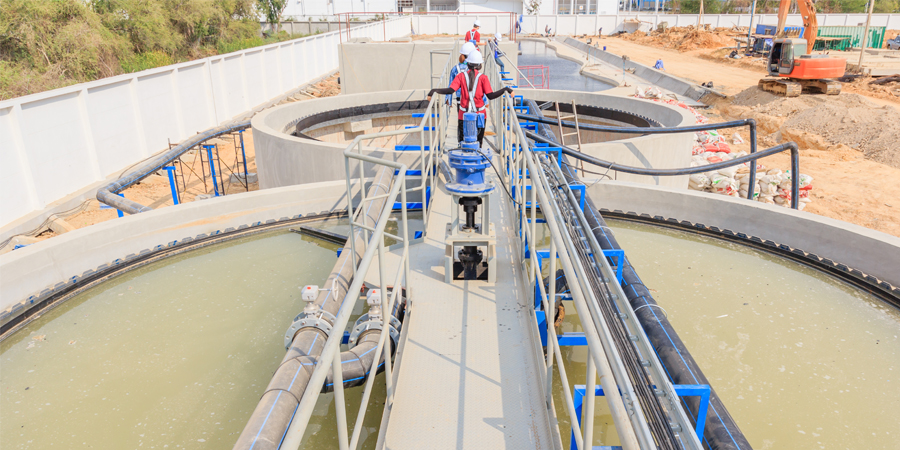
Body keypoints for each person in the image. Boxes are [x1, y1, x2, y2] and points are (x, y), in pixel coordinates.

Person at [427, 51, 513, 148]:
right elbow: (490, 96)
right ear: (480, 65)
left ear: (468, 63)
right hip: (480, 115)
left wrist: (434, 91)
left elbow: (450, 90)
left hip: (463, 114)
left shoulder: (460, 76)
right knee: (478, 143)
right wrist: (506, 89)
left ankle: (462, 151)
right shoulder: (483, 78)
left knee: (462, 142)